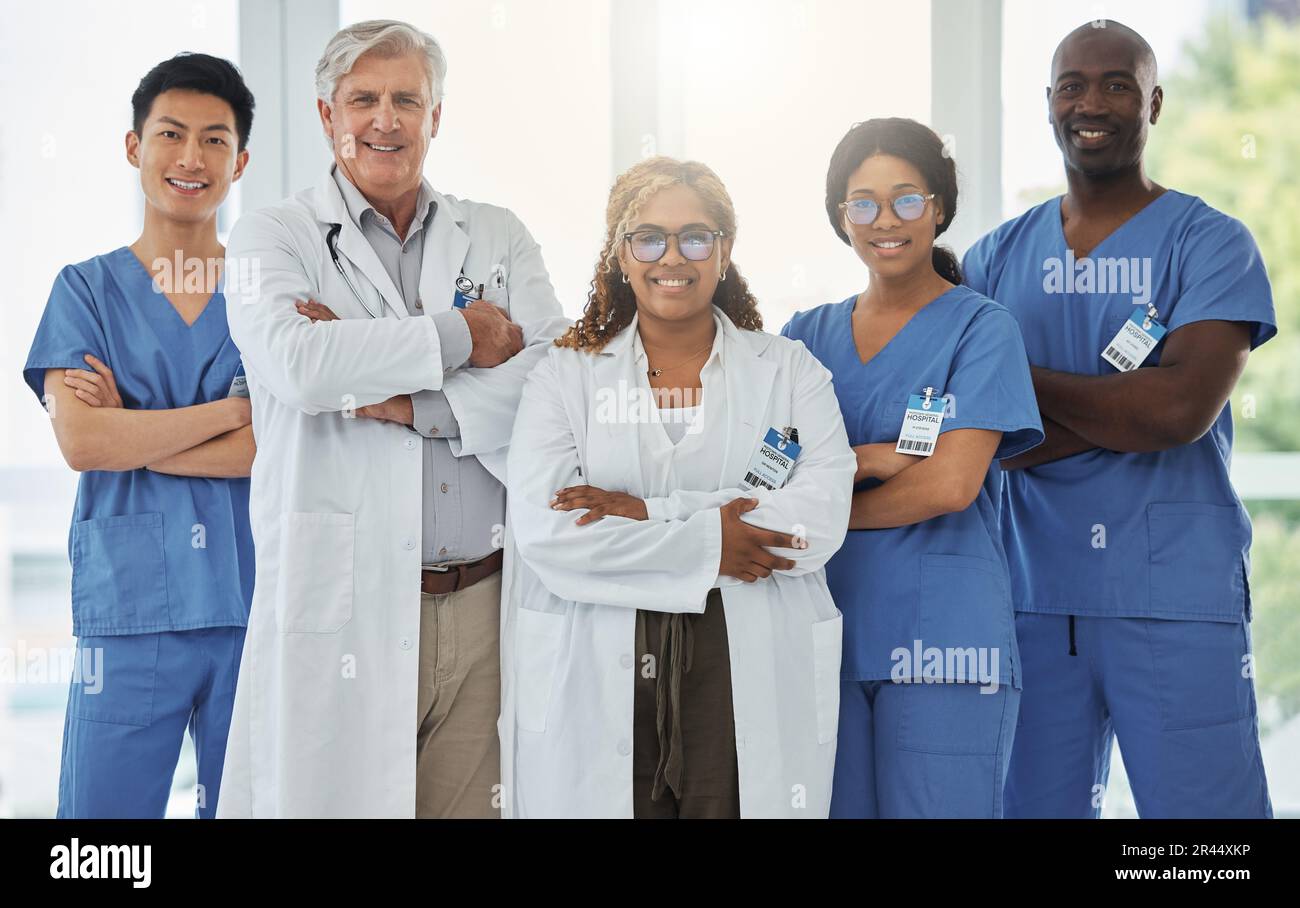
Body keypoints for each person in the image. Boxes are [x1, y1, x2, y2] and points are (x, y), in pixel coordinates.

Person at [217, 20, 566, 818]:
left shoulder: (498, 235)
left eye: (406, 99)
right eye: (363, 100)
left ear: (435, 116)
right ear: (326, 116)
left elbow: (552, 382)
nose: (386, 119)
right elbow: (301, 365)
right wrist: (463, 336)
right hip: (346, 598)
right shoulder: (272, 236)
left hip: (484, 599)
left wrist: (414, 402)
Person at [963, 20, 1275, 818]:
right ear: (1049, 104)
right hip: (1033, 596)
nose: (1091, 102)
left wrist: (1022, 392)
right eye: (1072, 85)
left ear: (1155, 103)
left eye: (1117, 84)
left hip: (1171, 594)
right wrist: (1113, 407)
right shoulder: (996, 257)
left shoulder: (1211, 244)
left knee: (1208, 849)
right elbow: (974, 431)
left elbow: (1176, 411)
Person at [499, 156, 855, 819]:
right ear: (621, 255)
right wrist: (713, 543)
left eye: (696, 236)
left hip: (739, 652)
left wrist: (649, 512)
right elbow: (550, 534)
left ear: (725, 252)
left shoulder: (789, 371)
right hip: (603, 658)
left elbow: (821, 516)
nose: (674, 257)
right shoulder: (565, 376)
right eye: (649, 238)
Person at [782, 119, 1043, 818]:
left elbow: (950, 485)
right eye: (862, 202)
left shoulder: (982, 328)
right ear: (842, 218)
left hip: (947, 652)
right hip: (824, 642)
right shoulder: (803, 337)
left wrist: (821, 510)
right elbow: (765, 476)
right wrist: (876, 459)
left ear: (939, 207)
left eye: (906, 198)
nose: (885, 220)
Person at [22, 53, 257, 818]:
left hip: (252, 608)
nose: (192, 158)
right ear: (135, 147)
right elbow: (83, 444)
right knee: (102, 843)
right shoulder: (84, 290)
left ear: (241, 161)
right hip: (129, 616)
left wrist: (134, 426)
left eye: (215, 140)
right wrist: (228, 412)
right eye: (171, 134)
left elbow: (276, 448)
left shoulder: (267, 296)